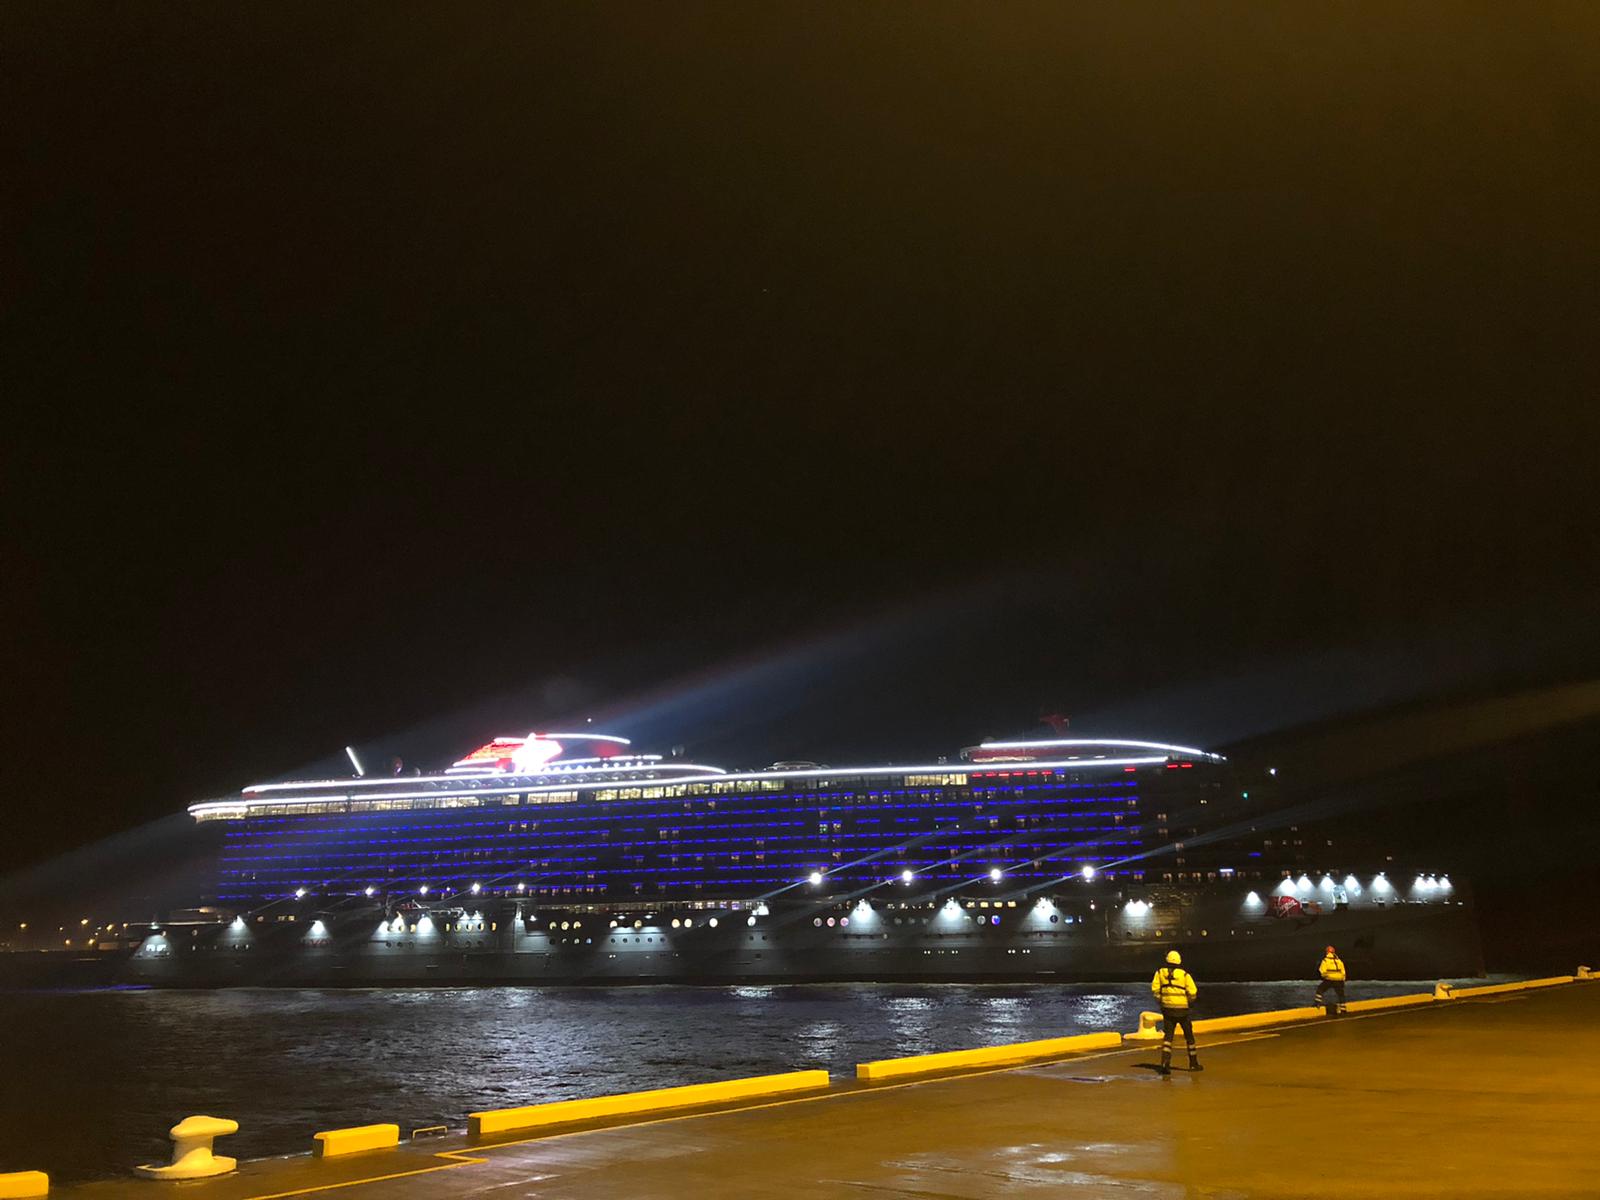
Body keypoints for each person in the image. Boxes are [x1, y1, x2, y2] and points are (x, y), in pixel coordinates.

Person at [1151, 949, 1201, 1074]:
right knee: (1189, 1037)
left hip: (1167, 1009)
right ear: (1179, 961)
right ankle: (1193, 1063)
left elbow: (1155, 990)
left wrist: (1161, 1001)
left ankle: (1165, 1063)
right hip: (1183, 1010)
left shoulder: (1160, 973)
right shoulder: (1184, 975)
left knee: (1168, 1037)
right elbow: (1193, 992)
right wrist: (1190, 1002)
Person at [1316, 945, 1347, 1014]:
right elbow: (1343, 971)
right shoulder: (1339, 961)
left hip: (1330, 979)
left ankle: (1317, 1003)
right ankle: (1343, 1009)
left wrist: (1325, 977)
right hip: (1339, 980)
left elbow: (1322, 970)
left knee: (1320, 989)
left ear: (1327, 952)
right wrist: (1342, 979)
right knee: (1341, 994)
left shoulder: (1325, 960)